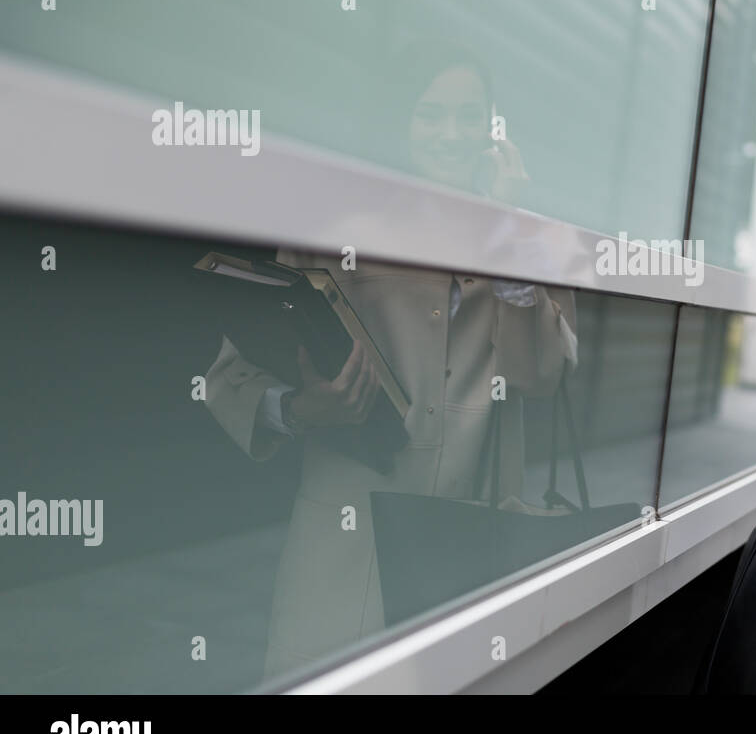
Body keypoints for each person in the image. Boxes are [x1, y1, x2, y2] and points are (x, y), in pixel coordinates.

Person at [203, 41, 578, 681]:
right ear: (399, 124)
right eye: (431, 115)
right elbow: (228, 380)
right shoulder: (335, 231)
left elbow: (543, 375)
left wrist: (507, 233)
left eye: (470, 116)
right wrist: (301, 410)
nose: (453, 134)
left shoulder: (528, 242)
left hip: (470, 544)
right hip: (347, 547)